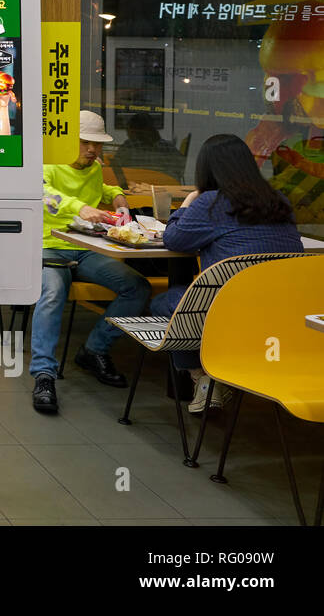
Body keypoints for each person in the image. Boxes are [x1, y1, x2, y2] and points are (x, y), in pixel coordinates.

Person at [153, 134, 302, 412]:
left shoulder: (211, 201)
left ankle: (203, 376)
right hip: (281, 315)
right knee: (191, 300)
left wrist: (186, 203)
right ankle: (217, 376)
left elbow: (173, 239)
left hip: (229, 314)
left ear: (206, 169)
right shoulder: (278, 199)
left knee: (166, 302)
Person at [31, 110, 153, 414]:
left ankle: (94, 349)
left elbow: (104, 188)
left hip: (87, 247)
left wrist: (118, 196)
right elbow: (41, 193)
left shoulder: (94, 167)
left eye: (97, 145)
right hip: (49, 246)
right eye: (86, 143)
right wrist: (79, 208)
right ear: (69, 140)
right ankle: (44, 373)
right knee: (52, 294)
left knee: (137, 287)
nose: (92, 150)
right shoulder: (48, 162)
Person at [109, 111, 187, 183]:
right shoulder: (168, 147)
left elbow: (115, 170)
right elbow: (180, 170)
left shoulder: (129, 146)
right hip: (164, 191)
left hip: (137, 191)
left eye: (129, 131)